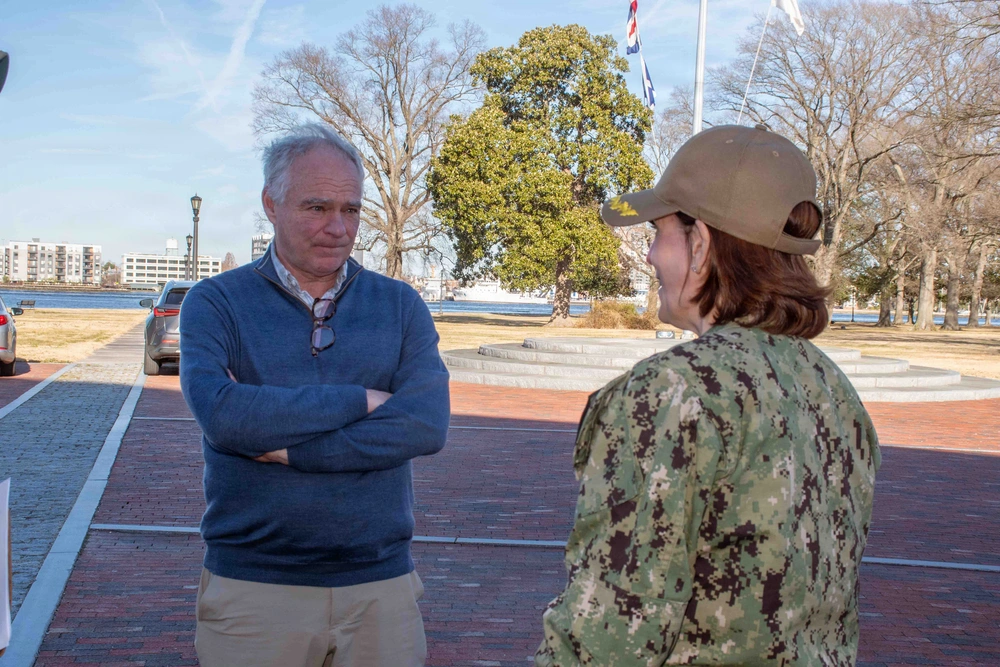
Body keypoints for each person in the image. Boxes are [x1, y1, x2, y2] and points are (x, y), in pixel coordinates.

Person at [535, 125, 880, 665]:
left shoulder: (672, 391)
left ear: (701, 244)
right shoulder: (834, 392)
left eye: (658, 232)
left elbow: (609, 632)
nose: (649, 256)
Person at [180, 123, 450, 667]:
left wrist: (291, 448)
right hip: (254, 590)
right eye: (317, 207)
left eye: (351, 210)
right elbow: (225, 418)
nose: (337, 227)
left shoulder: (399, 306)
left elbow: (424, 423)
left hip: (381, 590)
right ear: (270, 204)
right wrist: (364, 401)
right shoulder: (215, 304)